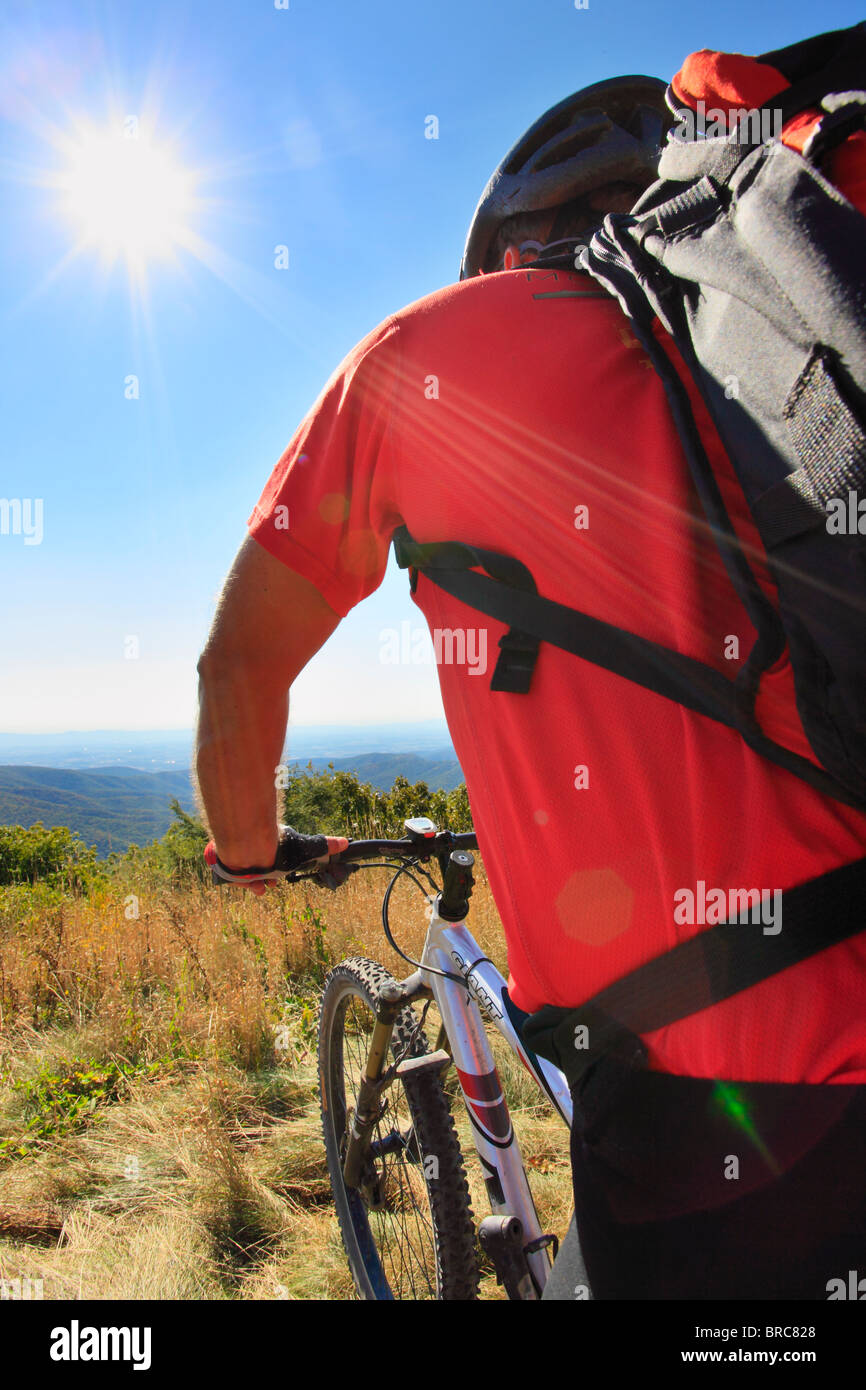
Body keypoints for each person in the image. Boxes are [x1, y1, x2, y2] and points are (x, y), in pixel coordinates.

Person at [195, 48, 866, 1299]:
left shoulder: (427, 352)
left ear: (506, 241)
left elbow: (238, 671)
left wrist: (247, 851)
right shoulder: (807, 337)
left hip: (733, 1114)